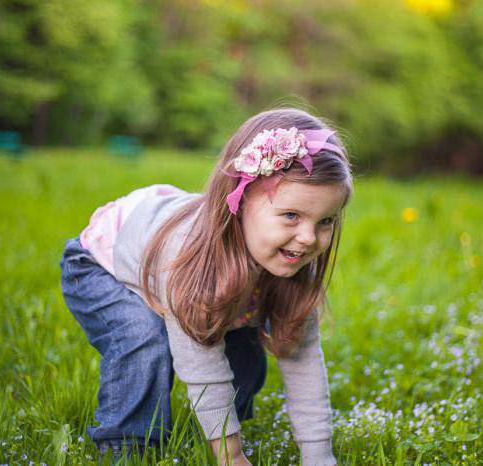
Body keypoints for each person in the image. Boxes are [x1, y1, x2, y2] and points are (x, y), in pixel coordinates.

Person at [60, 108, 353, 465]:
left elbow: (303, 363)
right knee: (144, 338)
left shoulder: (292, 264)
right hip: (101, 264)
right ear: (240, 203)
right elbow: (200, 362)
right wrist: (230, 456)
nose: (308, 238)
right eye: (291, 215)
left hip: (196, 268)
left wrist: (319, 457)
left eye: (325, 221)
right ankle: (128, 448)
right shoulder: (189, 257)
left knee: (245, 351)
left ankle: (218, 428)